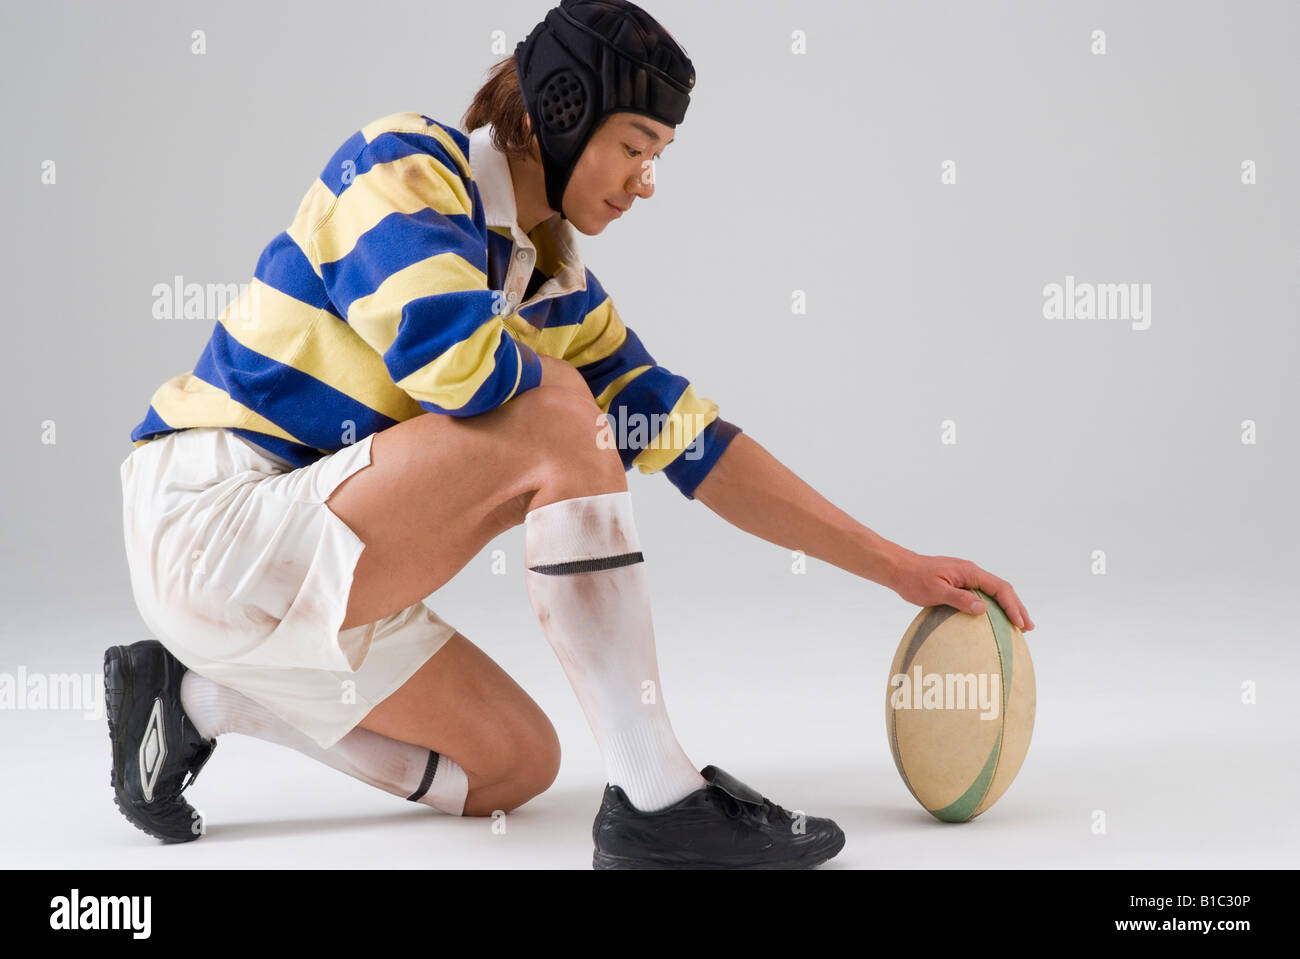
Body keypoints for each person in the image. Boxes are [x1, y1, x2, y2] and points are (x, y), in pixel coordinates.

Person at [107, 0, 1033, 869]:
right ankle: (660, 799)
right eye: (636, 145)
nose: (648, 182)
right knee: (557, 411)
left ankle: (195, 697)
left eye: (659, 152)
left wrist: (899, 566)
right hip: (211, 520)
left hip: (314, 555)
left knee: (515, 769)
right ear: (562, 109)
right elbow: (451, 365)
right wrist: (576, 406)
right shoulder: (403, 164)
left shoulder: (553, 285)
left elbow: (692, 443)